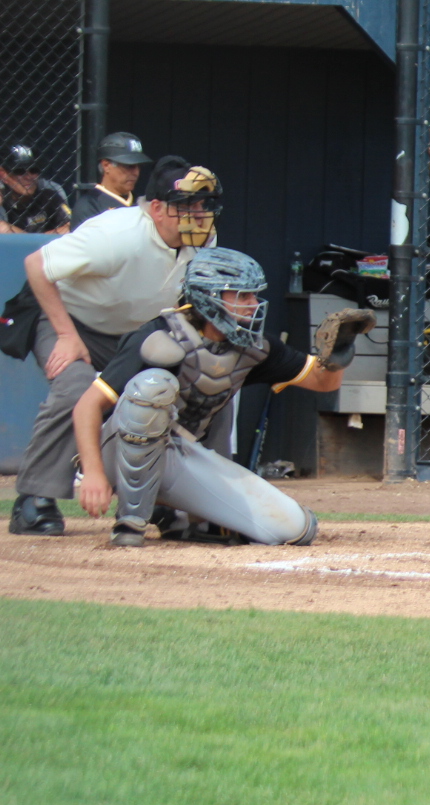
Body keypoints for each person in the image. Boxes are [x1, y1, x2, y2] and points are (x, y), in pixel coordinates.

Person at [70, 249, 357, 547]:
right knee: (154, 386)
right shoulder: (157, 336)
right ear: (208, 297)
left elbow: (324, 383)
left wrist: (338, 355)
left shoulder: (252, 348)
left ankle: (172, 513)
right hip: (115, 452)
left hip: (177, 457)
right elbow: (87, 406)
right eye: (242, 296)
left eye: (254, 295)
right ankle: (130, 524)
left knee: (294, 529)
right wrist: (92, 473)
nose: (253, 304)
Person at [8, 157, 219, 536]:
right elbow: (37, 264)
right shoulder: (117, 233)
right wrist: (68, 336)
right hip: (72, 319)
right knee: (75, 386)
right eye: (186, 205)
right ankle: (33, 499)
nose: (198, 215)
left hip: (137, 331)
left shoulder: (204, 240)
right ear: (155, 208)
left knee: (188, 385)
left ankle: (169, 499)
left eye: (203, 205)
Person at [68, 131, 151, 229]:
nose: (136, 172)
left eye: (138, 166)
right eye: (129, 166)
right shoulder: (89, 206)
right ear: (106, 165)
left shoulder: (142, 203)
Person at [0, 144, 68, 235]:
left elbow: (71, 227)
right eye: (19, 171)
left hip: (46, 247)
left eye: (33, 170)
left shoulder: (49, 189)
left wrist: (34, 242)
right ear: (3, 175)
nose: (28, 177)